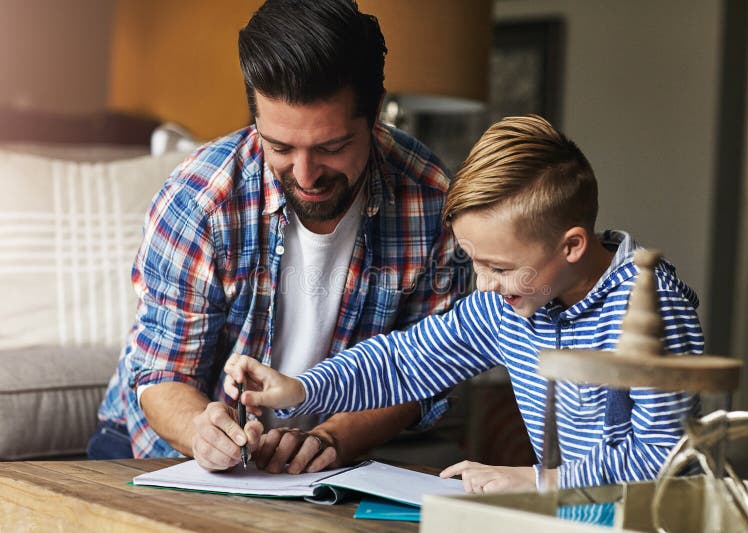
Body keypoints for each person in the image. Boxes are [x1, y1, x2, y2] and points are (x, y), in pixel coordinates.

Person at [223, 114, 704, 493]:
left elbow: (667, 454)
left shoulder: (650, 308)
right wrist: (301, 390)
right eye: (473, 261)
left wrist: (536, 481)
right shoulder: (510, 303)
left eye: (498, 266)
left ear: (572, 246)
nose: (484, 283)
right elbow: (403, 361)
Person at [87, 0, 470, 473]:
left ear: (374, 115)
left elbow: (426, 370)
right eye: (281, 147)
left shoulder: (431, 198)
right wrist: (201, 431)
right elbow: (163, 372)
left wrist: (329, 440)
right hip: (153, 452)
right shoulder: (200, 201)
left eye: (332, 147)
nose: (306, 175)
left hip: (324, 465)